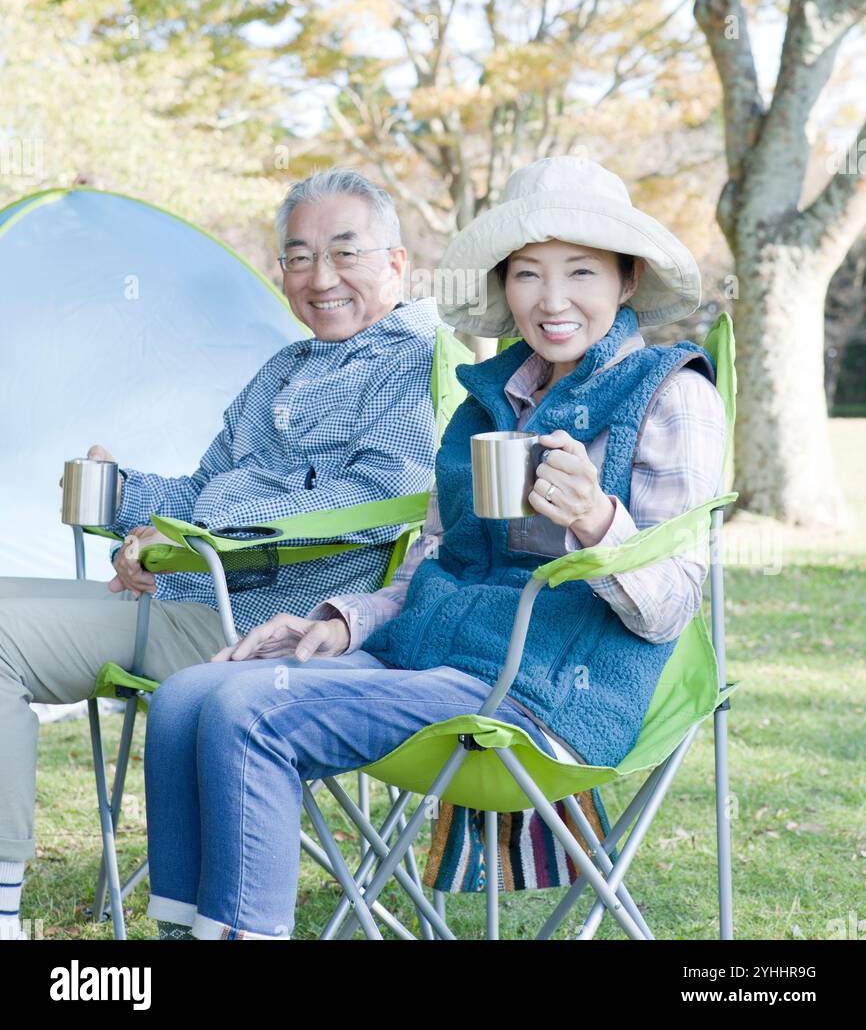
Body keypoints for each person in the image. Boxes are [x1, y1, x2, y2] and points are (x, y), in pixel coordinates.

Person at [141, 154, 727, 940]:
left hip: (544, 693)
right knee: (186, 698)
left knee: (251, 714)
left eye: (580, 272)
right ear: (504, 285)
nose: (551, 302)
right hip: (426, 659)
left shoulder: (673, 395)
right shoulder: (483, 404)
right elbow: (434, 561)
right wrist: (343, 620)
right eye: (527, 275)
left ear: (626, 280)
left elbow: (672, 605)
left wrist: (597, 521)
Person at [0, 168, 440, 942]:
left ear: (397, 265)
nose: (319, 277)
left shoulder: (410, 361)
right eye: (297, 258)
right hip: (191, 598)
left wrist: (188, 543)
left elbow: (380, 500)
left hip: (263, 628)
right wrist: (127, 496)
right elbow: (208, 485)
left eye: (344, 252)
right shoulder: (287, 366)